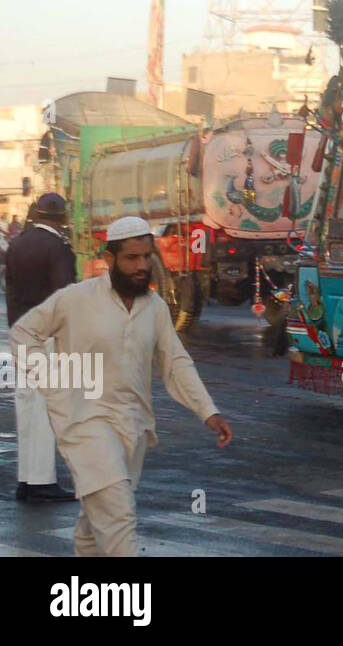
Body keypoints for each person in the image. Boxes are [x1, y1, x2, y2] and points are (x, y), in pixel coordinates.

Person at [11, 216, 232, 556]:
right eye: (132, 258)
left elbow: (175, 362)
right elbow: (24, 333)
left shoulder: (154, 307)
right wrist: (54, 382)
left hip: (133, 426)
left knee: (97, 514)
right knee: (118, 513)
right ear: (110, 259)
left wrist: (208, 411)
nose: (142, 266)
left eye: (146, 257)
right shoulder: (76, 299)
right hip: (84, 421)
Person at [4, 192, 78, 502]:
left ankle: (26, 480)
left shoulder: (17, 244)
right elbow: (64, 294)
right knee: (46, 407)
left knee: (27, 406)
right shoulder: (58, 248)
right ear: (61, 218)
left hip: (21, 331)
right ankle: (42, 482)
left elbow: (9, 289)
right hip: (46, 337)